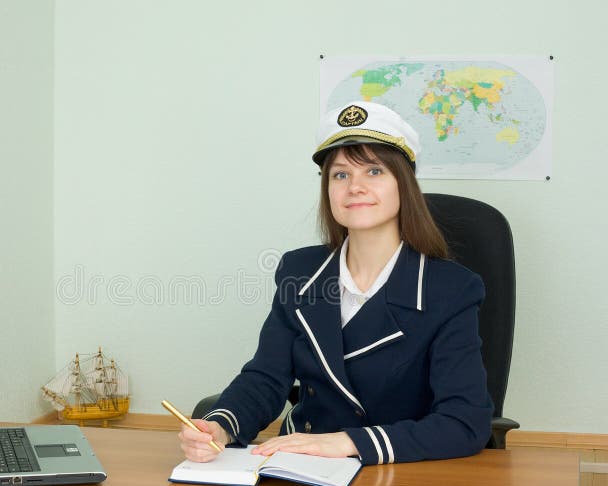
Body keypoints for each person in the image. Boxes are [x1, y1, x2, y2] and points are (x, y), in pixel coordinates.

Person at [178, 101, 494, 466]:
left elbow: (465, 422)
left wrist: (348, 442)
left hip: (396, 470)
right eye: (340, 175)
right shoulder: (299, 271)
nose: (355, 187)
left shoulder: (451, 289)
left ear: (404, 185)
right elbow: (266, 377)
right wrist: (220, 426)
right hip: (301, 468)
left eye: (374, 171)